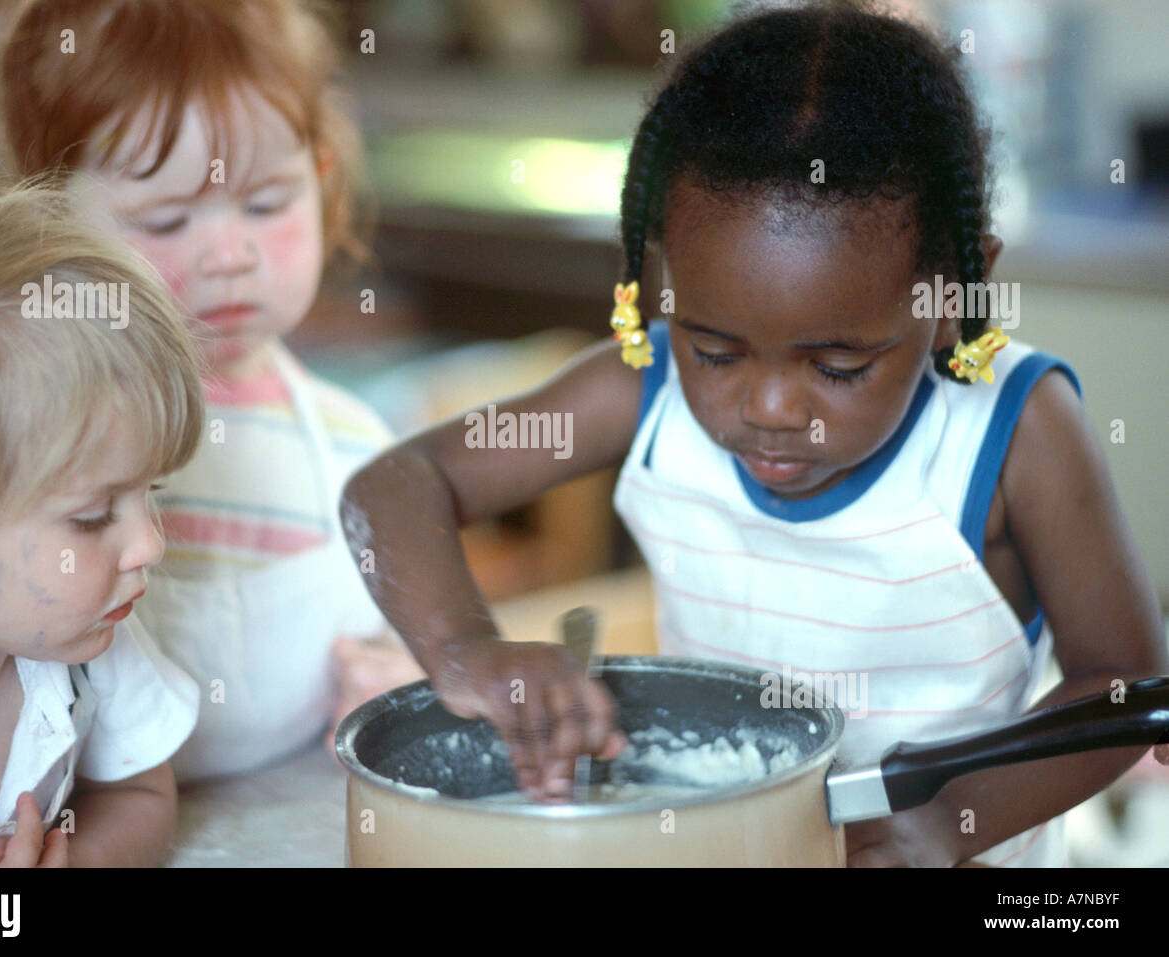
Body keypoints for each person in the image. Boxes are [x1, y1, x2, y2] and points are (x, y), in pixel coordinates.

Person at [339, 4, 1168, 866]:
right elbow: (396, 485)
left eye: (838, 365)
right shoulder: (639, 388)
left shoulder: (1014, 432)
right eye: (715, 350)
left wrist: (950, 820)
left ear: (953, 291)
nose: (769, 407)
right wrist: (465, 645)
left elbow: (1122, 686)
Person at [0, 0, 423, 780]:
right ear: (51, 223)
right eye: (165, 218)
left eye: (265, 203)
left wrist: (394, 683)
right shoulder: (27, 445)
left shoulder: (357, 445)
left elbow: (390, 643)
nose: (229, 254)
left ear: (321, 180)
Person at [0, 179, 203, 866]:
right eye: (90, 517)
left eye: (151, 492)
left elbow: (139, 791)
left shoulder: (94, 643)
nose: (149, 544)